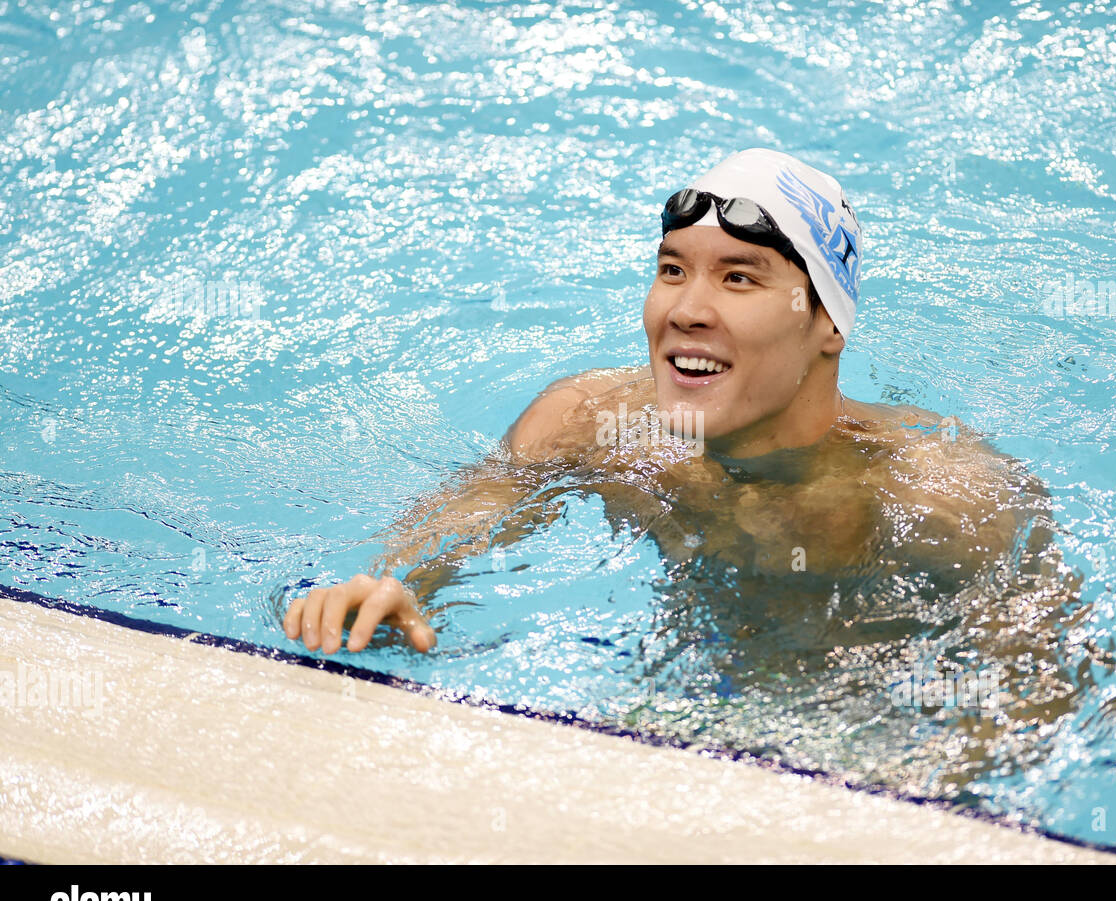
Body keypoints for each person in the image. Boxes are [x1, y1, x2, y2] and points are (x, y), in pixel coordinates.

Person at [282, 148, 1070, 665]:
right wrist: (387, 581)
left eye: (738, 277)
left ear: (827, 320)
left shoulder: (942, 493)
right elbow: (465, 515)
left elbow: (1039, 698)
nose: (685, 310)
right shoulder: (586, 422)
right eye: (671, 271)